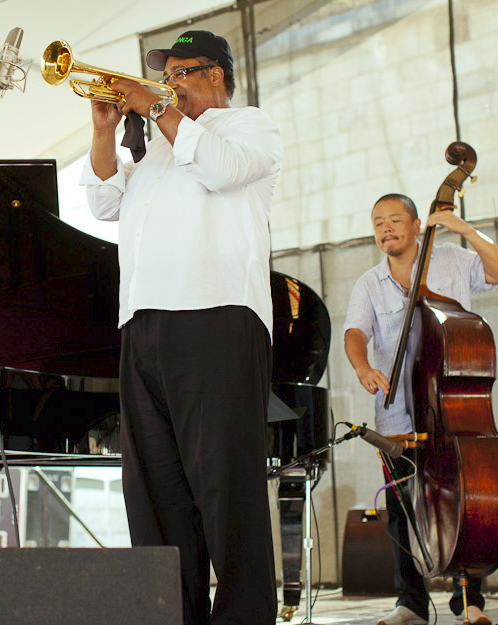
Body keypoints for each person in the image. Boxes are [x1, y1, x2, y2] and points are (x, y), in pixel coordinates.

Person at [80, 30, 282, 625]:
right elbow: (102, 202)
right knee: (155, 494)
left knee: (226, 490)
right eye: (162, 77)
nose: (167, 85)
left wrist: (152, 107)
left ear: (214, 74)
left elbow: (219, 172)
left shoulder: (248, 126)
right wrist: (102, 131)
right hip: (143, 326)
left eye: (178, 74)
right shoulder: (158, 153)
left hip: (216, 318)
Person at [343, 194, 498, 625]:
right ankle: (411, 604)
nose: (386, 228)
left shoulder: (453, 260)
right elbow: (354, 332)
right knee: (402, 512)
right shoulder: (368, 283)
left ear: (418, 225)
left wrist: (466, 231)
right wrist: (363, 367)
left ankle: (468, 602)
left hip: (454, 417)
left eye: (395, 220)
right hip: (398, 417)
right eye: (378, 221)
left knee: (465, 507)